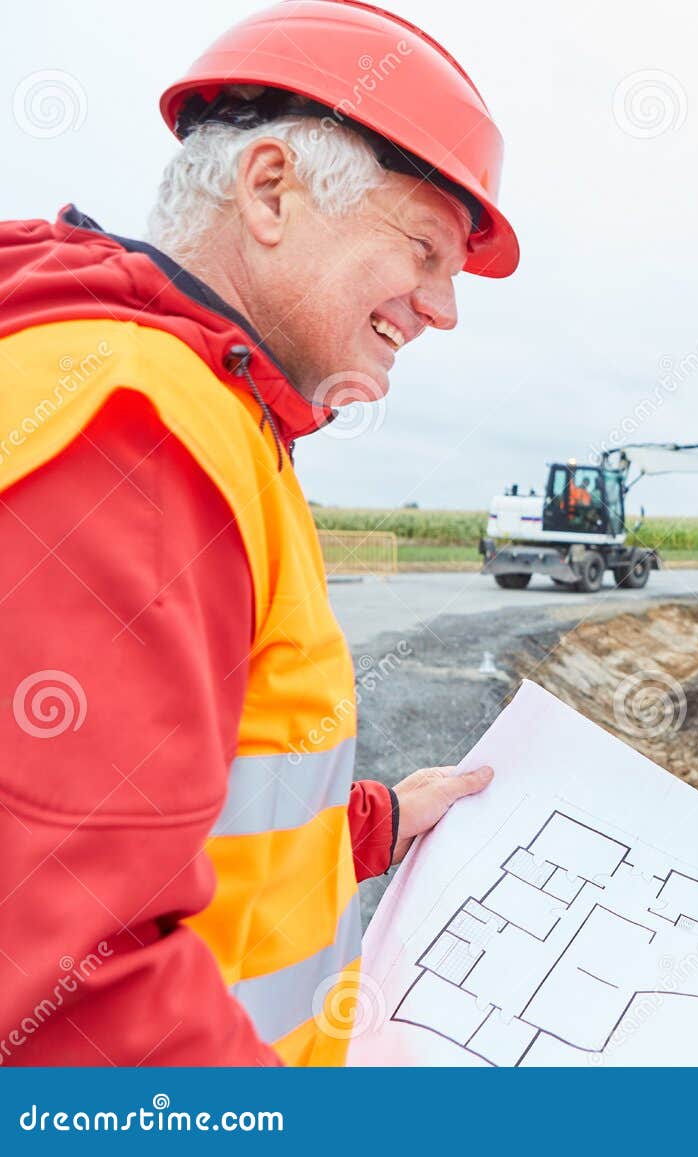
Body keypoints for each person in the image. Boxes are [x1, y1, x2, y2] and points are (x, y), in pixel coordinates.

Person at [0, 0, 518, 1064]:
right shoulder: (134, 425)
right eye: (422, 249)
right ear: (271, 189)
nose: (443, 309)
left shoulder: (214, 411)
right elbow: (65, 984)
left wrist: (370, 821)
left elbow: (175, 815)